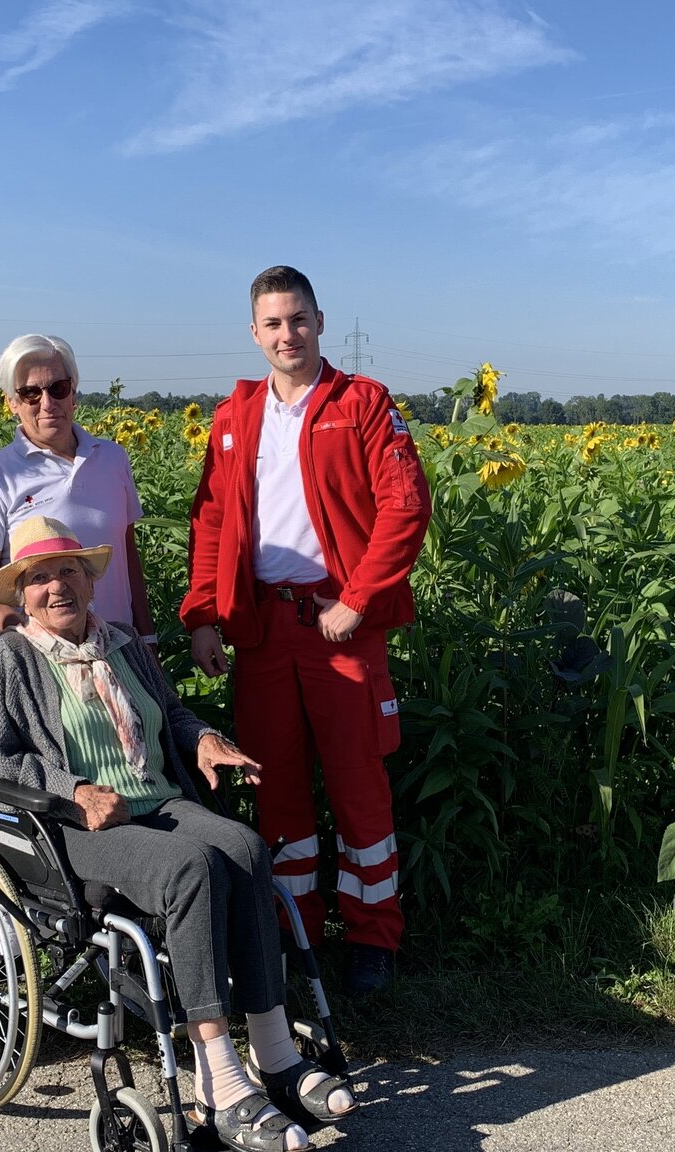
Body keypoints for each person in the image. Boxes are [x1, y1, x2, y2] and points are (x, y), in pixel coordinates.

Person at [0, 515, 356, 1152]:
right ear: (20, 594)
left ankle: (276, 1052)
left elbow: (170, 714)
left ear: (90, 581)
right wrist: (75, 792)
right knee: (191, 870)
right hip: (76, 827)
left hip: (159, 799)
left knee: (244, 847)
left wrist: (203, 740)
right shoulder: (10, 660)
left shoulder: (121, 644)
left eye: (68, 570)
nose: (56, 586)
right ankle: (218, 1077)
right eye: (39, 578)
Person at [181, 266, 431, 997]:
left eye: (298, 320)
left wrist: (357, 599)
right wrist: (202, 614)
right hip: (262, 630)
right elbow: (212, 520)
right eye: (272, 324)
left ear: (320, 322)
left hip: (339, 628)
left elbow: (404, 508)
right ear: (254, 334)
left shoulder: (363, 404)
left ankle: (372, 936)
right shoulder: (235, 418)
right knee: (277, 790)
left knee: (359, 788)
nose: (287, 335)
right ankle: (295, 930)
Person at [0, 334, 155, 643]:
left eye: (58, 389)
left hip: (119, 646)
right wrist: (22, 633)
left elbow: (127, 557)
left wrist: (147, 638)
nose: (47, 404)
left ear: (73, 393)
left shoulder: (113, 458)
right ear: (12, 403)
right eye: (30, 393)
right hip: (42, 657)